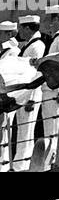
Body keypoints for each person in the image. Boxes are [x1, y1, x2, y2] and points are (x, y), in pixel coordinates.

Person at [36, 5, 59, 169]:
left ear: (58, 19)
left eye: (49, 19)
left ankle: (54, 161)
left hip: (54, 89)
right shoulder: (57, 38)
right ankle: (51, 159)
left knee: (54, 127)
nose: (47, 23)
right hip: (49, 88)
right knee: (50, 127)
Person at [11, 16, 45, 172]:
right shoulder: (31, 45)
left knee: (26, 130)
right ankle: (22, 162)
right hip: (24, 94)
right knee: (24, 129)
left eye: (21, 28)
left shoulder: (37, 46)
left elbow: (34, 73)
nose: (19, 32)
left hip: (29, 95)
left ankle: (21, 165)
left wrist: (31, 98)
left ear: (26, 28)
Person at [0, 20, 17, 173]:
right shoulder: (3, 50)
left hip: (8, 93)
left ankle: (4, 162)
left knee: (6, 127)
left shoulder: (13, 51)